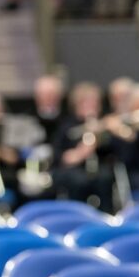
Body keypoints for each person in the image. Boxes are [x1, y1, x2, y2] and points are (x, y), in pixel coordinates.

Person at [51, 82, 116, 210]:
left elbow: (114, 152)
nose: (92, 106)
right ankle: (76, 214)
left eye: (95, 103)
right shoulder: (67, 126)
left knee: (105, 178)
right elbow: (60, 156)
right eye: (87, 103)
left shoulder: (105, 125)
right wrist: (83, 149)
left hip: (99, 169)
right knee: (79, 181)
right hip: (73, 170)